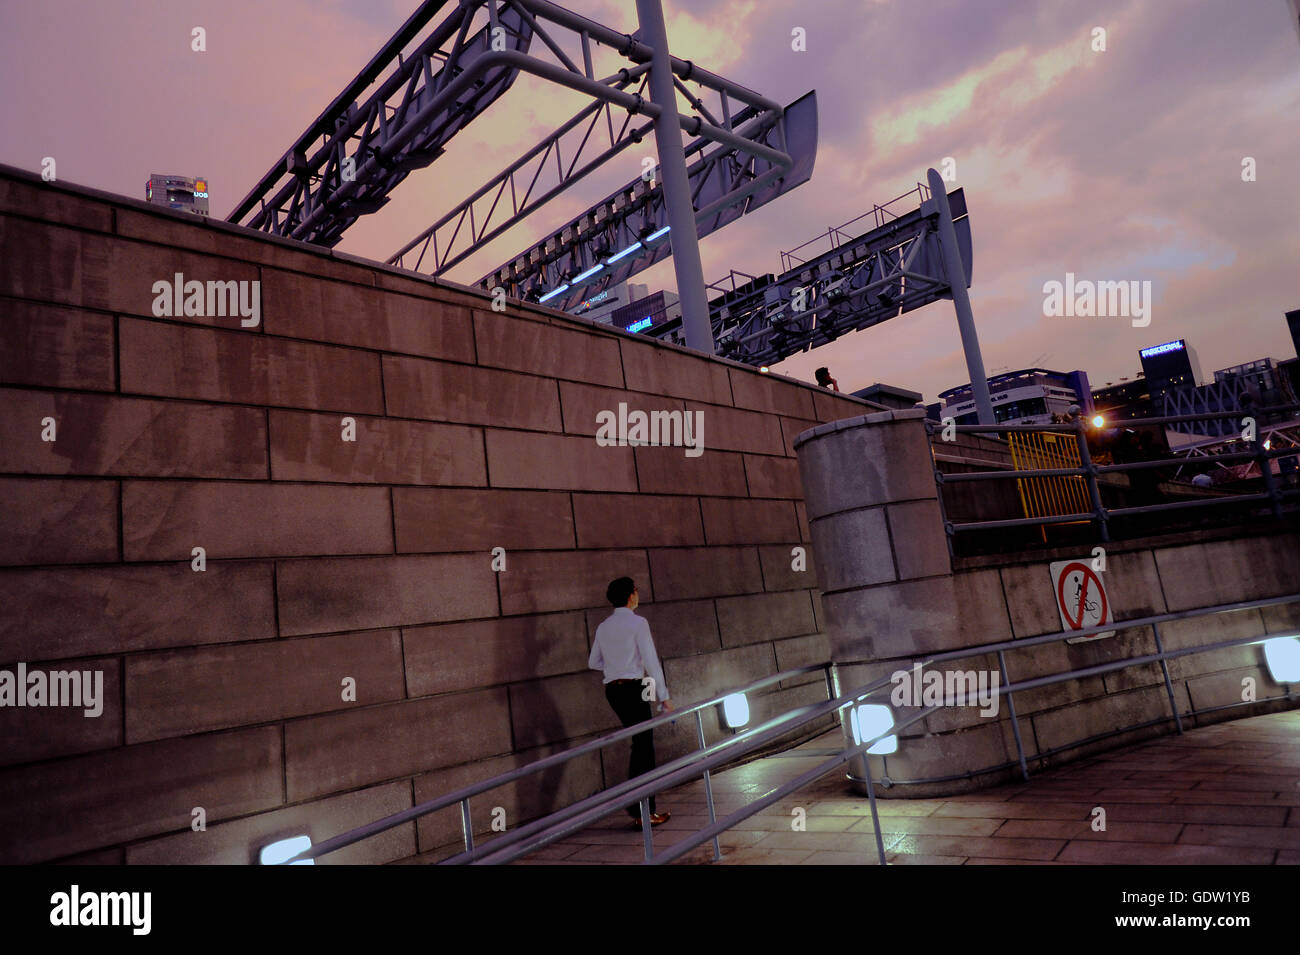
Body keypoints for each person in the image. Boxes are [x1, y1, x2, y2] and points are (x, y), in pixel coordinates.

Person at [589, 577, 673, 827]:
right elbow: (650, 660)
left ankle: (639, 807)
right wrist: (664, 697)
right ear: (630, 596)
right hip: (637, 688)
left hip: (613, 691)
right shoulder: (638, 623)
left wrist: (616, 667)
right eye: (636, 590)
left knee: (640, 745)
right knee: (644, 747)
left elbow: (593, 663)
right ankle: (642, 809)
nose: (638, 594)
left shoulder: (604, 626)